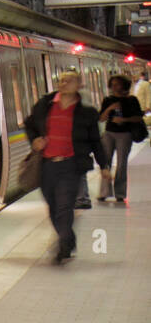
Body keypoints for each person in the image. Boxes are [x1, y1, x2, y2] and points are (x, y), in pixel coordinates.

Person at [24, 69, 111, 264]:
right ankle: (68, 239)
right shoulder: (44, 106)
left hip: (71, 165)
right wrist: (34, 139)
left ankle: (63, 245)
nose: (64, 83)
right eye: (62, 80)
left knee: (64, 206)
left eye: (69, 80)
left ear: (79, 85)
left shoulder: (86, 113)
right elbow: (29, 124)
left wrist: (104, 165)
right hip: (47, 165)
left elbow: (96, 141)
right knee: (53, 206)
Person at [98, 75, 143, 204]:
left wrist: (123, 120)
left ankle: (120, 193)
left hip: (125, 134)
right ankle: (104, 192)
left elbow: (138, 118)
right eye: (112, 84)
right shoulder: (108, 100)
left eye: (117, 84)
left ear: (124, 85)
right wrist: (110, 108)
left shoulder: (132, 100)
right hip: (109, 133)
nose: (114, 87)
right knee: (105, 162)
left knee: (122, 163)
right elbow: (101, 118)